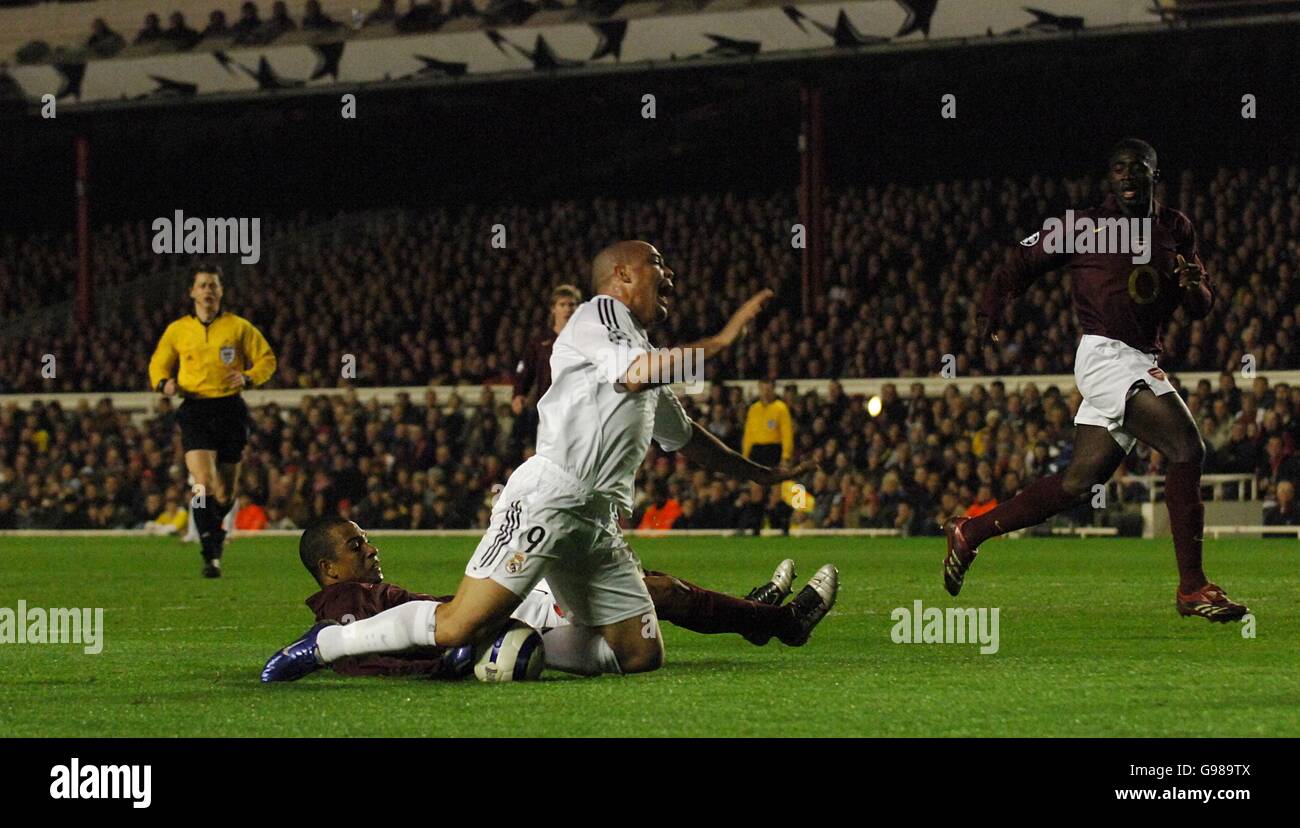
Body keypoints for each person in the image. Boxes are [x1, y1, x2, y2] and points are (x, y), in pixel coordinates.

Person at [263, 240, 837, 681]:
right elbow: (640, 373)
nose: (670, 275)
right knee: (460, 623)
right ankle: (326, 645)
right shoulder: (600, 318)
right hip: (549, 498)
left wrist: (766, 475)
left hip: (593, 520)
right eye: (657, 263)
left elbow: (685, 439)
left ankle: (531, 630)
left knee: (640, 655)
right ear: (623, 275)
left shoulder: (636, 353)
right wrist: (721, 342)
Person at [947, 138, 1248, 622]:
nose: (1128, 176)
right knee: (1187, 448)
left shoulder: (1174, 228)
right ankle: (1192, 587)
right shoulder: (1084, 226)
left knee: (1077, 482)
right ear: (1110, 178)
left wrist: (1197, 290)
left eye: (1138, 169)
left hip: (1139, 356)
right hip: (1106, 354)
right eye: (1119, 170)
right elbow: (1019, 263)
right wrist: (989, 309)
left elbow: (1200, 305)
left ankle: (970, 532)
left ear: (1155, 174)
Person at [273, 517, 824, 680]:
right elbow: (370, 658)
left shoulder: (359, 594)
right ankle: (770, 618)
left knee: (646, 586)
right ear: (328, 568)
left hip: (501, 616)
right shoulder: (344, 604)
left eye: (365, 538)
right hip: (509, 623)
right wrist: (450, 662)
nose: (370, 548)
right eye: (355, 543)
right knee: (651, 594)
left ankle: (762, 615)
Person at [149, 265, 277, 578]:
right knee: (202, 484)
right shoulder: (178, 330)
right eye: (203, 285)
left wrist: (248, 376)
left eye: (213, 286)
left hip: (230, 408)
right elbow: (158, 364)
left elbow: (267, 360)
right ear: (192, 292)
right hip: (195, 409)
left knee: (225, 494)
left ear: (220, 292)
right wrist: (164, 383)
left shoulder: (238, 327)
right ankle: (210, 549)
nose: (208, 291)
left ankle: (214, 532)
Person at [511, 284, 581, 448]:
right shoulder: (540, 341)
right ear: (553, 309)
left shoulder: (585, 338)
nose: (567, 309)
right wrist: (519, 393)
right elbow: (525, 369)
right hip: (549, 407)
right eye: (562, 305)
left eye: (572, 305)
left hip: (578, 406)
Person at [742, 378, 793, 468]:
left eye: (768, 390)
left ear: (773, 389)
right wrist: (745, 455)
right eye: (762, 389)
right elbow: (748, 434)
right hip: (756, 450)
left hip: (773, 450)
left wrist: (786, 456)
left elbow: (787, 434)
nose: (765, 393)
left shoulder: (781, 408)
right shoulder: (754, 409)